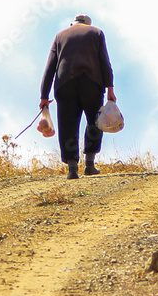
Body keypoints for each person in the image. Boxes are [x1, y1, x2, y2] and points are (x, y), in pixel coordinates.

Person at [39, 13, 116, 179]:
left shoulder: (60, 36)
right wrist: (110, 88)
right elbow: (104, 61)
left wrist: (43, 96)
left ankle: (72, 168)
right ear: (88, 24)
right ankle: (89, 164)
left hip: (65, 84)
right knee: (95, 121)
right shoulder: (96, 33)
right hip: (92, 82)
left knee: (68, 124)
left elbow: (50, 66)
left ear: (72, 24)